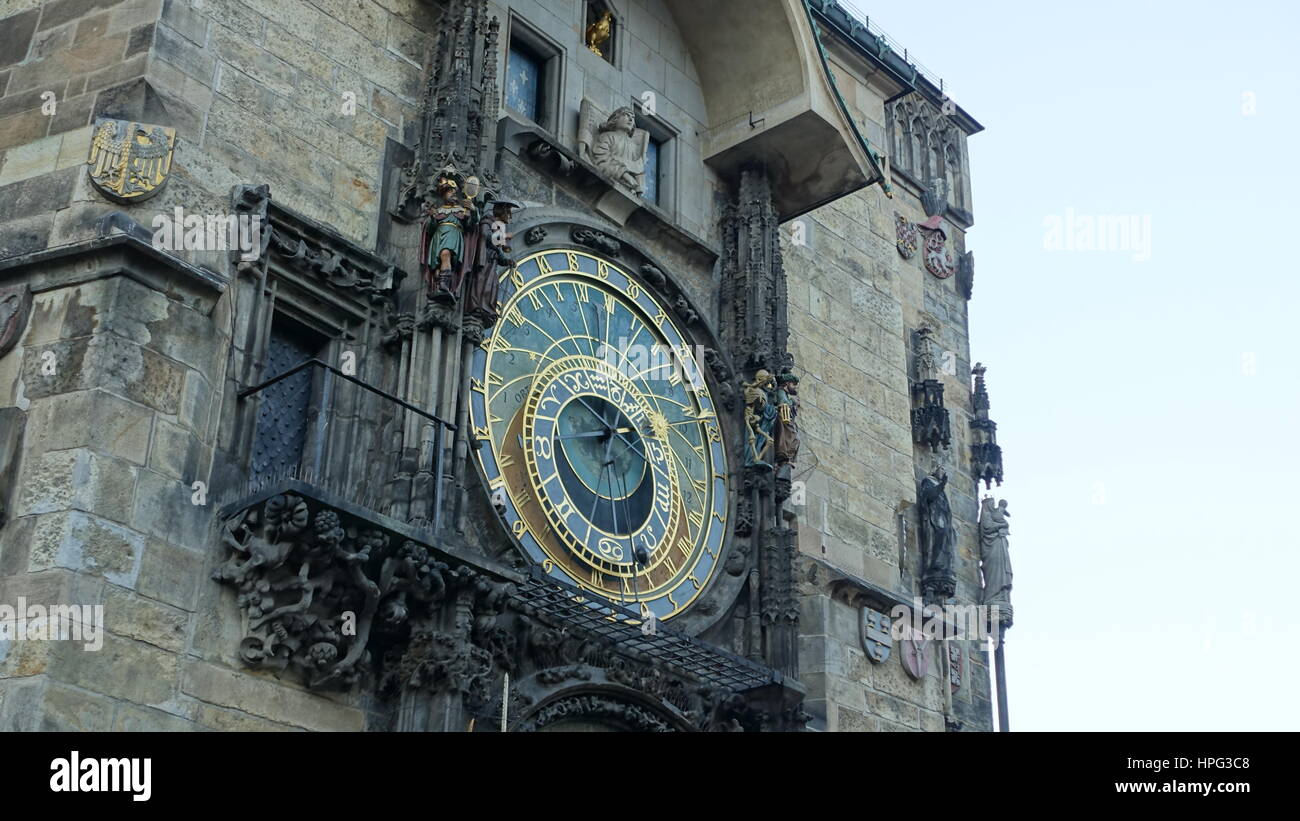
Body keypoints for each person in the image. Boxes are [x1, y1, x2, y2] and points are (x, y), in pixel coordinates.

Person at [422, 177, 477, 302]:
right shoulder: (439, 211)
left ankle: (444, 286)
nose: (453, 194)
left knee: (446, 254)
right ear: (443, 195)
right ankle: (439, 286)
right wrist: (432, 219)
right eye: (449, 191)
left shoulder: (461, 210)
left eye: (453, 191)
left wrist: (472, 212)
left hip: (453, 234)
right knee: (438, 268)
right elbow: (430, 230)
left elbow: (470, 226)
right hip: (438, 236)